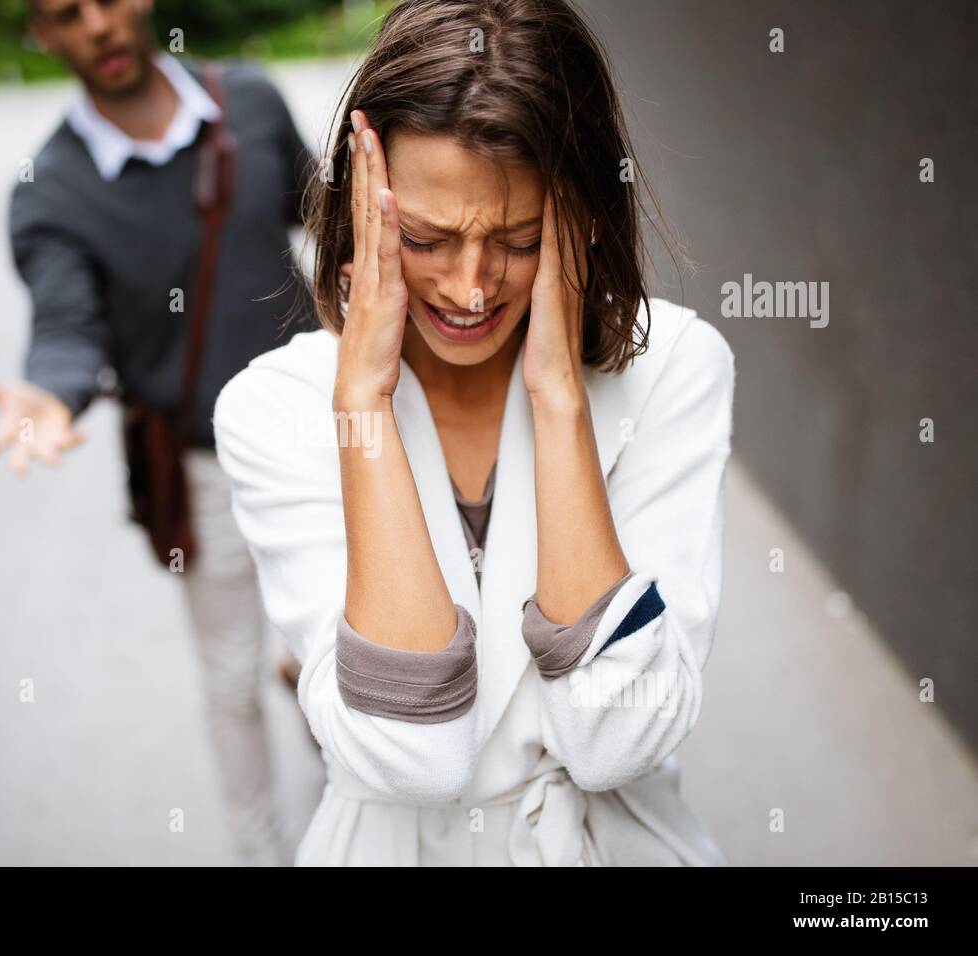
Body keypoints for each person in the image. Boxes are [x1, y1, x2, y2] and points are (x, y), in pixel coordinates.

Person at [213, 0, 734, 865]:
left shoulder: (675, 367)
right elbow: (410, 756)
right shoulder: (274, 407)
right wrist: (364, 412)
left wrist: (560, 395)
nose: (471, 288)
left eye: (520, 241)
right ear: (364, 210)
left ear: (582, 214)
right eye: (425, 238)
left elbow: (618, 740)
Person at [0, 0, 315, 865]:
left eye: (109, 0)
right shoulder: (50, 191)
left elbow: (330, 220)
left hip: (331, 438)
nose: (99, 26)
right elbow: (66, 327)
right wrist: (50, 392)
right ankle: (261, 852)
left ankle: (367, 795)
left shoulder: (253, 101)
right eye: (64, 13)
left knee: (354, 645)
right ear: (41, 34)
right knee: (232, 677)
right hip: (203, 471)